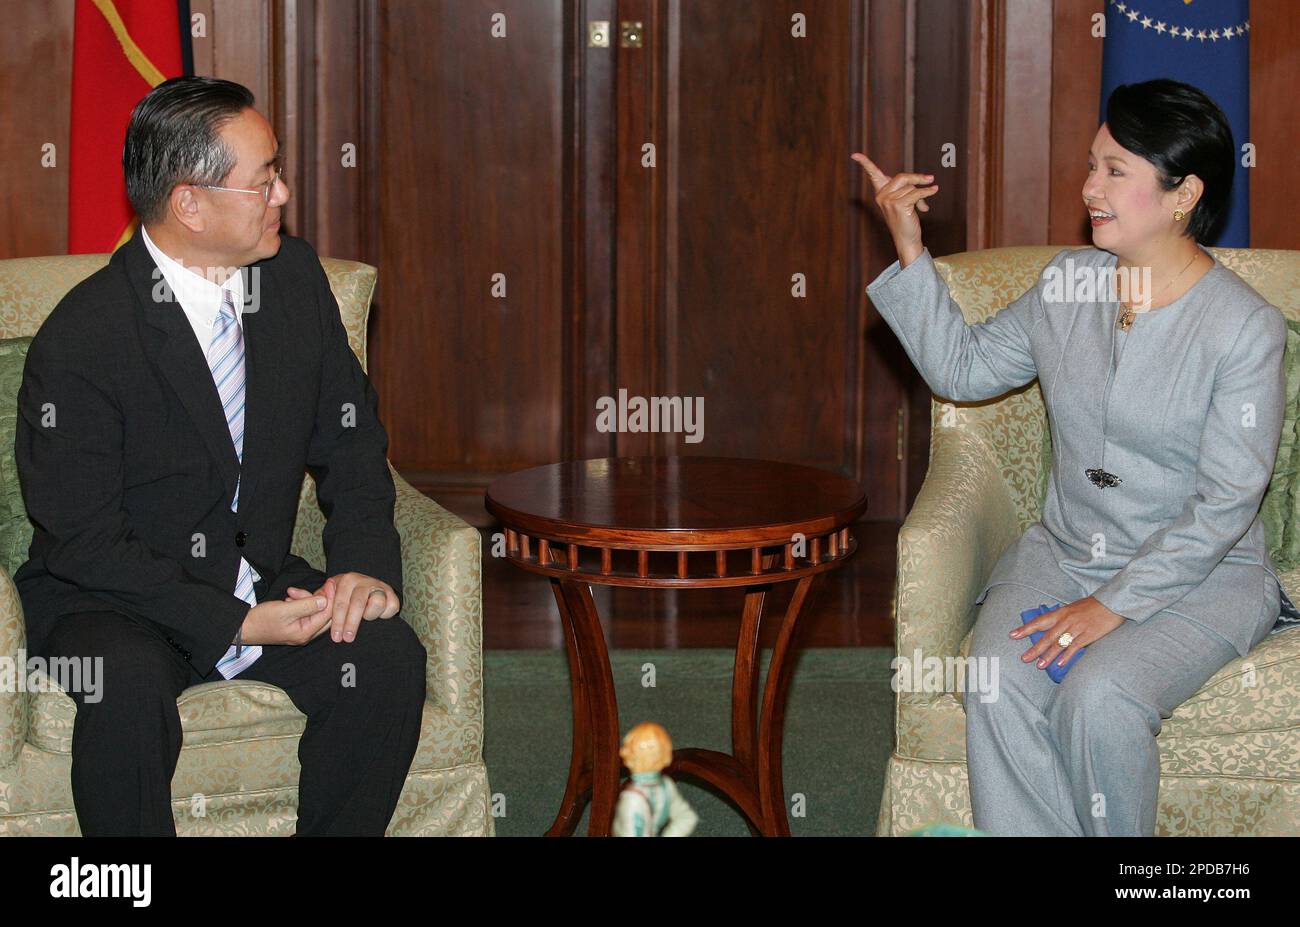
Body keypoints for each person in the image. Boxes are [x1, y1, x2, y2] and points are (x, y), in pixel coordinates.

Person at [854, 78, 1290, 836]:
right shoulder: (1066, 285)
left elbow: (1224, 505)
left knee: (1100, 694)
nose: (1089, 186)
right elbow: (962, 369)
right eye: (1092, 164)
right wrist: (908, 244)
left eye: (1116, 170)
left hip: (1206, 574)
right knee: (998, 678)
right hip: (1067, 553)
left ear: (1184, 193)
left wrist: (1112, 605)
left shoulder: (1242, 329)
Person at [13, 76, 426, 836]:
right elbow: (84, 540)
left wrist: (361, 563)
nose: (284, 193)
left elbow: (352, 439)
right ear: (189, 203)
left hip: (257, 571)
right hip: (115, 598)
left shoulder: (294, 281)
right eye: (264, 179)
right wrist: (239, 623)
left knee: (383, 658)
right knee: (125, 692)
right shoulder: (84, 339)